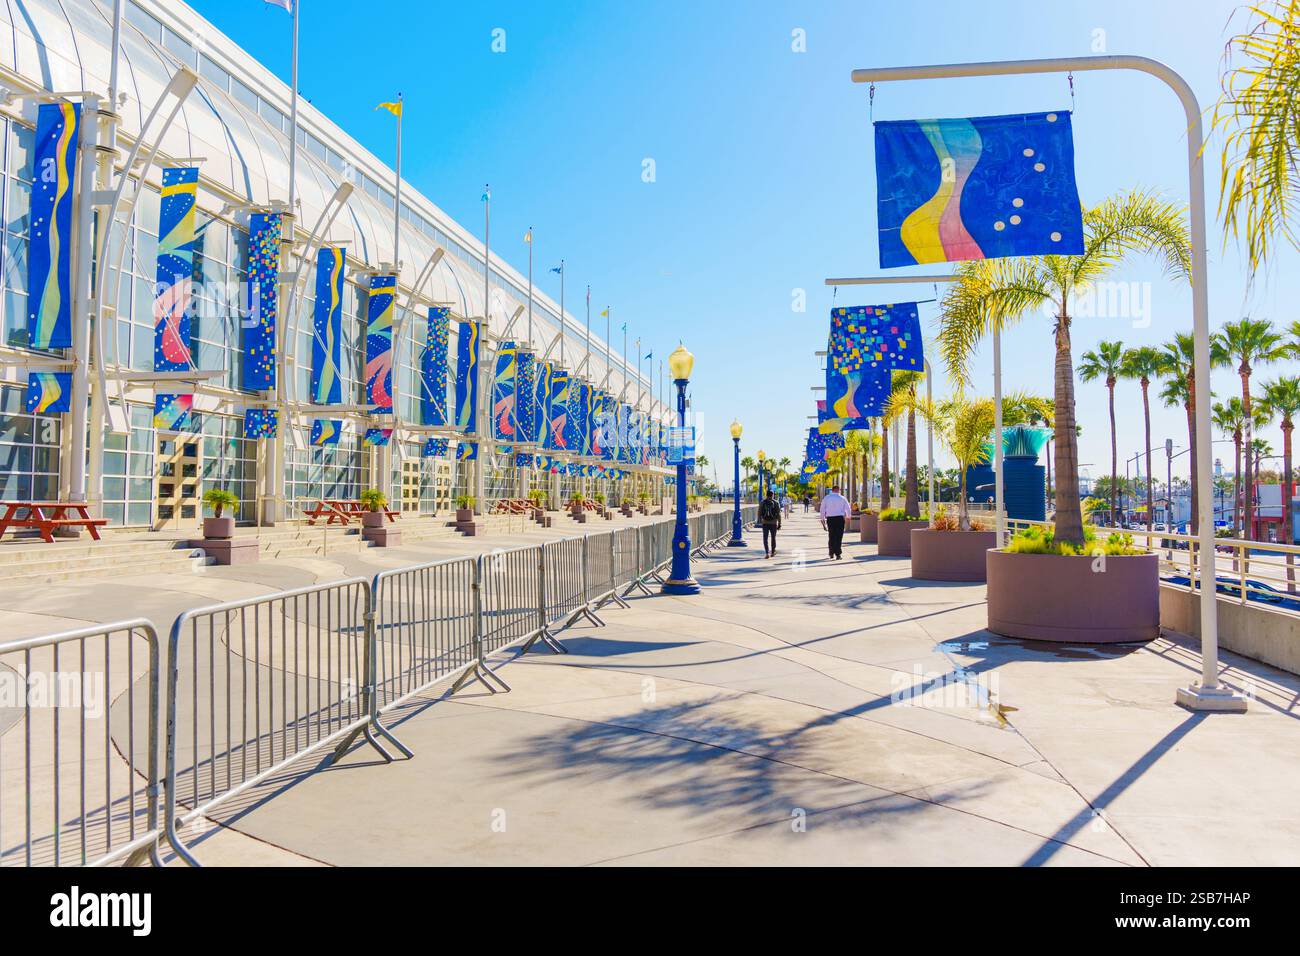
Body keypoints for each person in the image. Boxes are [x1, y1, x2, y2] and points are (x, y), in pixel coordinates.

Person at [819, 484, 851, 559]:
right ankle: (838, 554)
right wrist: (848, 517)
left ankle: (831, 552)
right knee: (839, 536)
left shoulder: (827, 498)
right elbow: (848, 508)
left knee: (831, 535)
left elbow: (822, 508)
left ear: (832, 490)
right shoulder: (842, 498)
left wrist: (822, 518)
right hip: (840, 518)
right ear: (838, 490)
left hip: (830, 519)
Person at [758, 490, 782, 558]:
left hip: (765, 522)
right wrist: (779, 523)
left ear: (766, 495)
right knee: (773, 538)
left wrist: (760, 521)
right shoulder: (776, 502)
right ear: (773, 495)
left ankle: (766, 553)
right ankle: (773, 552)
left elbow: (759, 512)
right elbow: (779, 514)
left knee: (765, 538)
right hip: (773, 523)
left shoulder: (763, 502)